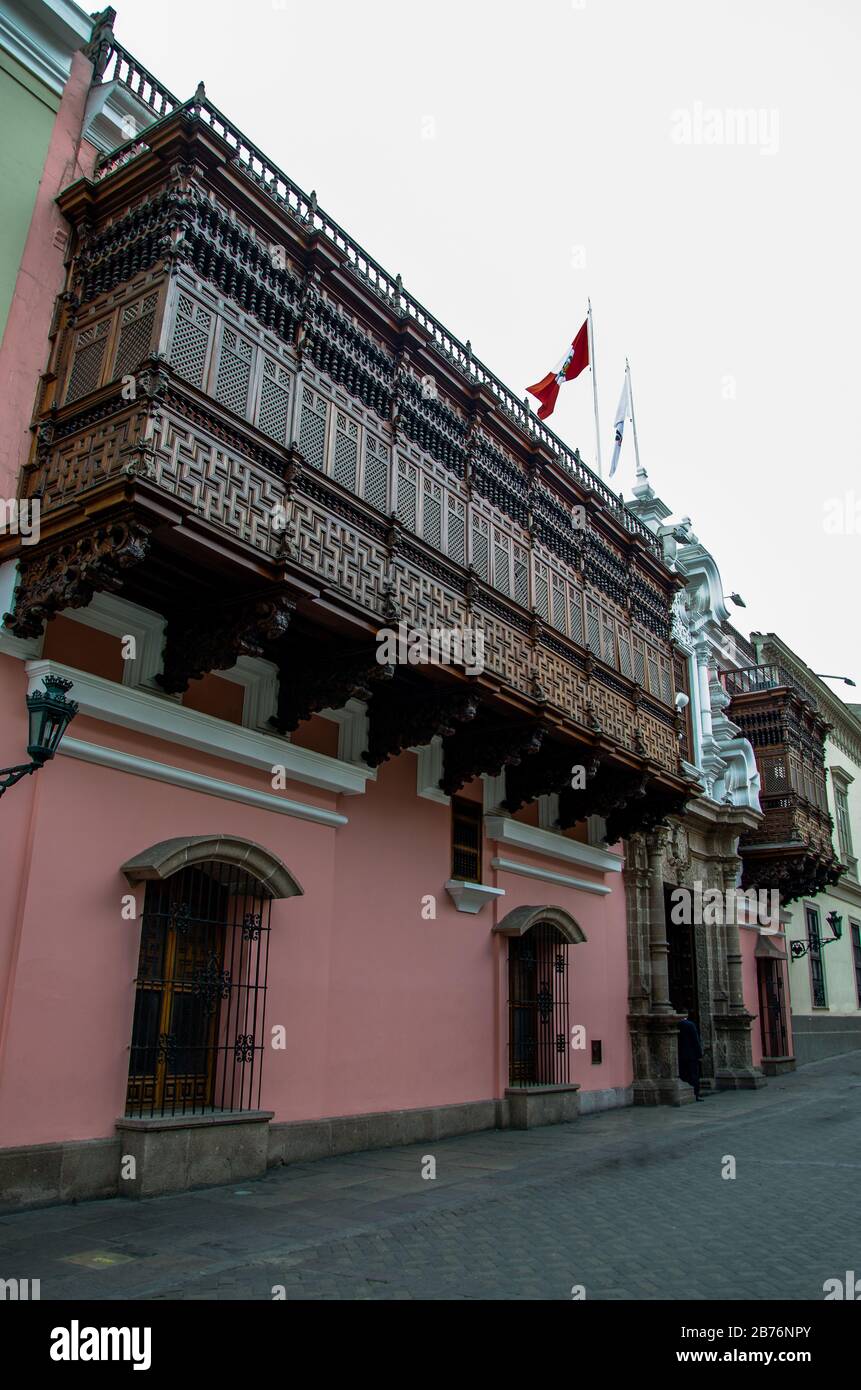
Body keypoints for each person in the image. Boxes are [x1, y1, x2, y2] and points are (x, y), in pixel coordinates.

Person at [678, 1011, 705, 1101]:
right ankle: (695, 1094)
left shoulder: (677, 1025)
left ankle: (686, 1093)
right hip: (692, 1055)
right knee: (694, 1075)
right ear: (687, 1015)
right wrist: (699, 1054)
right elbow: (695, 1040)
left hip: (681, 1055)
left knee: (684, 1074)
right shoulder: (690, 1025)